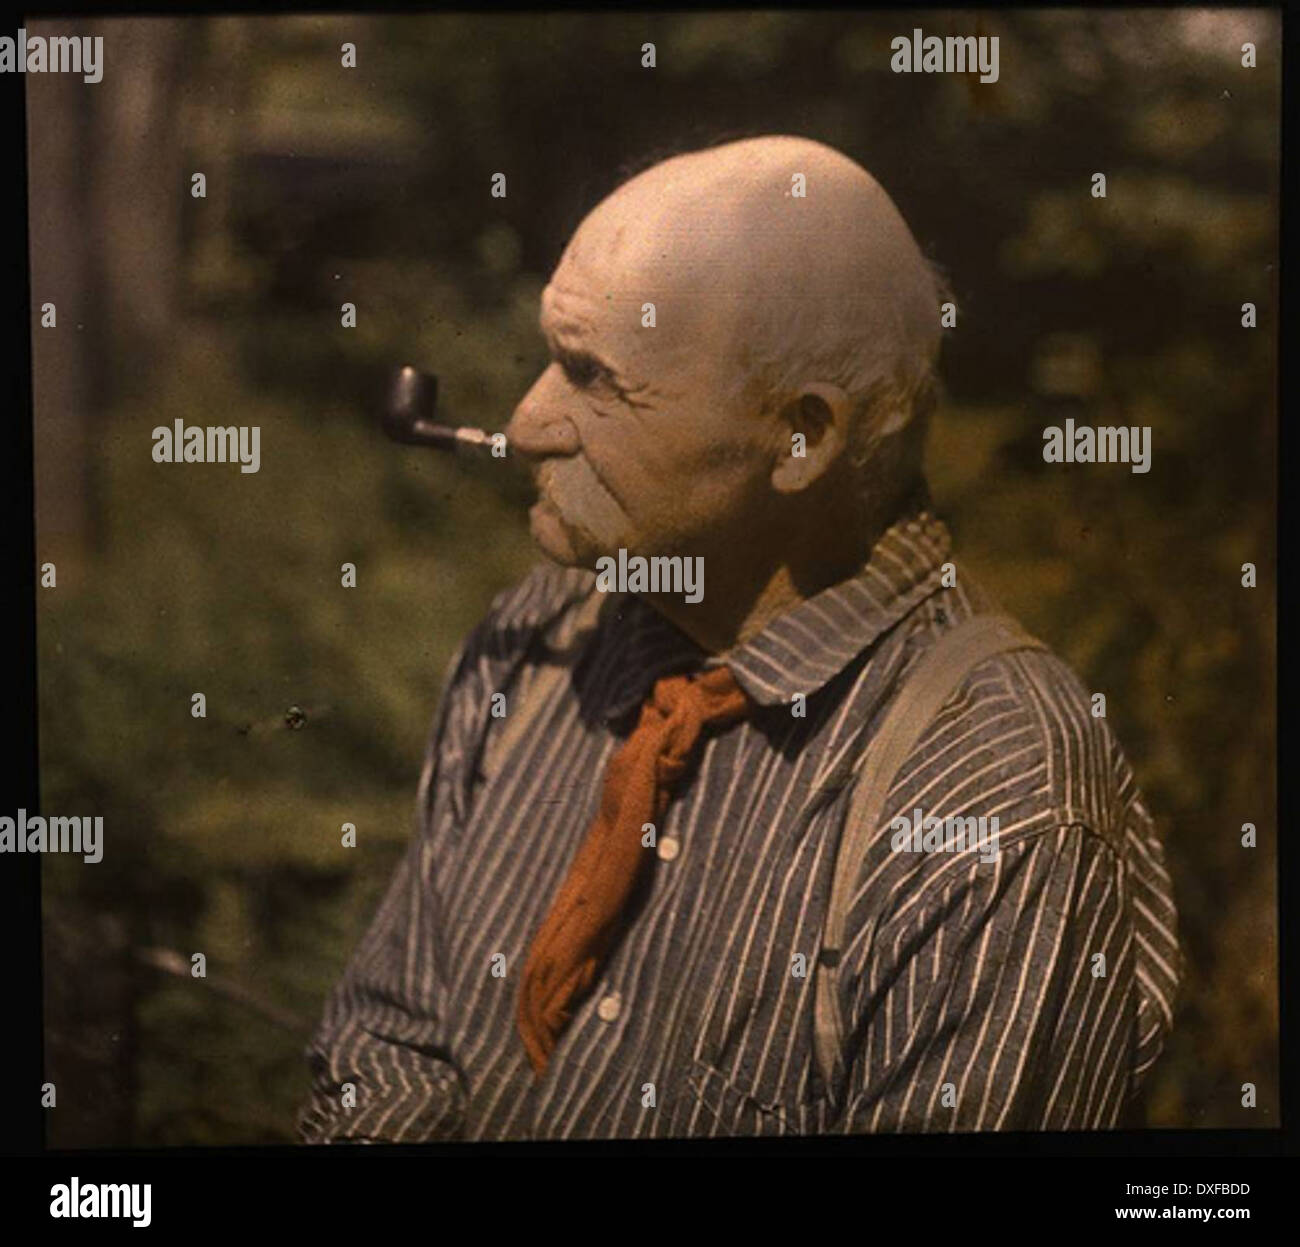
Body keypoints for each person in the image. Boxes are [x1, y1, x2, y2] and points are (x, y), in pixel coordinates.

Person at [299, 135, 1180, 1140]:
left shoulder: (1000, 801)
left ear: (801, 435)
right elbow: (390, 1050)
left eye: (593, 377)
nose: (527, 417)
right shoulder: (536, 640)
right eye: (550, 356)